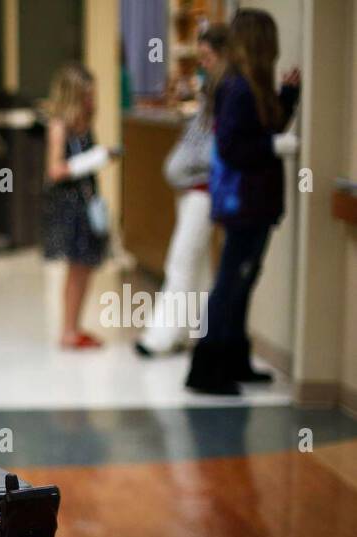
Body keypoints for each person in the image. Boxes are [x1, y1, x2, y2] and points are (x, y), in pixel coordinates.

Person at [185, 8, 300, 395]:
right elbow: (234, 146)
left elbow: (264, 127)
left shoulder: (250, 85)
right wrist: (273, 145)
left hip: (254, 202)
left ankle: (233, 361)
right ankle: (208, 369)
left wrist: (288, 97)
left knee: (242, 282)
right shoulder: (238, 88)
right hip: (244, 203)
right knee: (230, 284)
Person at [135, 24, 229, 358]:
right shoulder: (210, 93)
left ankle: (158, 337)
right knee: (198, 264)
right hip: (191, 186)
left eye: (207, 57)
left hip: (204, 188)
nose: (203, 64)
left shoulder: (227, 94)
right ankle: (196, 334)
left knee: (181, 262)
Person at [42, 63, 119, 350]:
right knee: (75, 269)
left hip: (88, 203)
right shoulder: (58, 125)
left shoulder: (85, 124)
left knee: (86, 266)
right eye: (86, 95)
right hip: (69, 205)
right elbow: (54, 170)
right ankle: (68, 330)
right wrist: (93, 159)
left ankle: (75, 326)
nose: (91, 100)